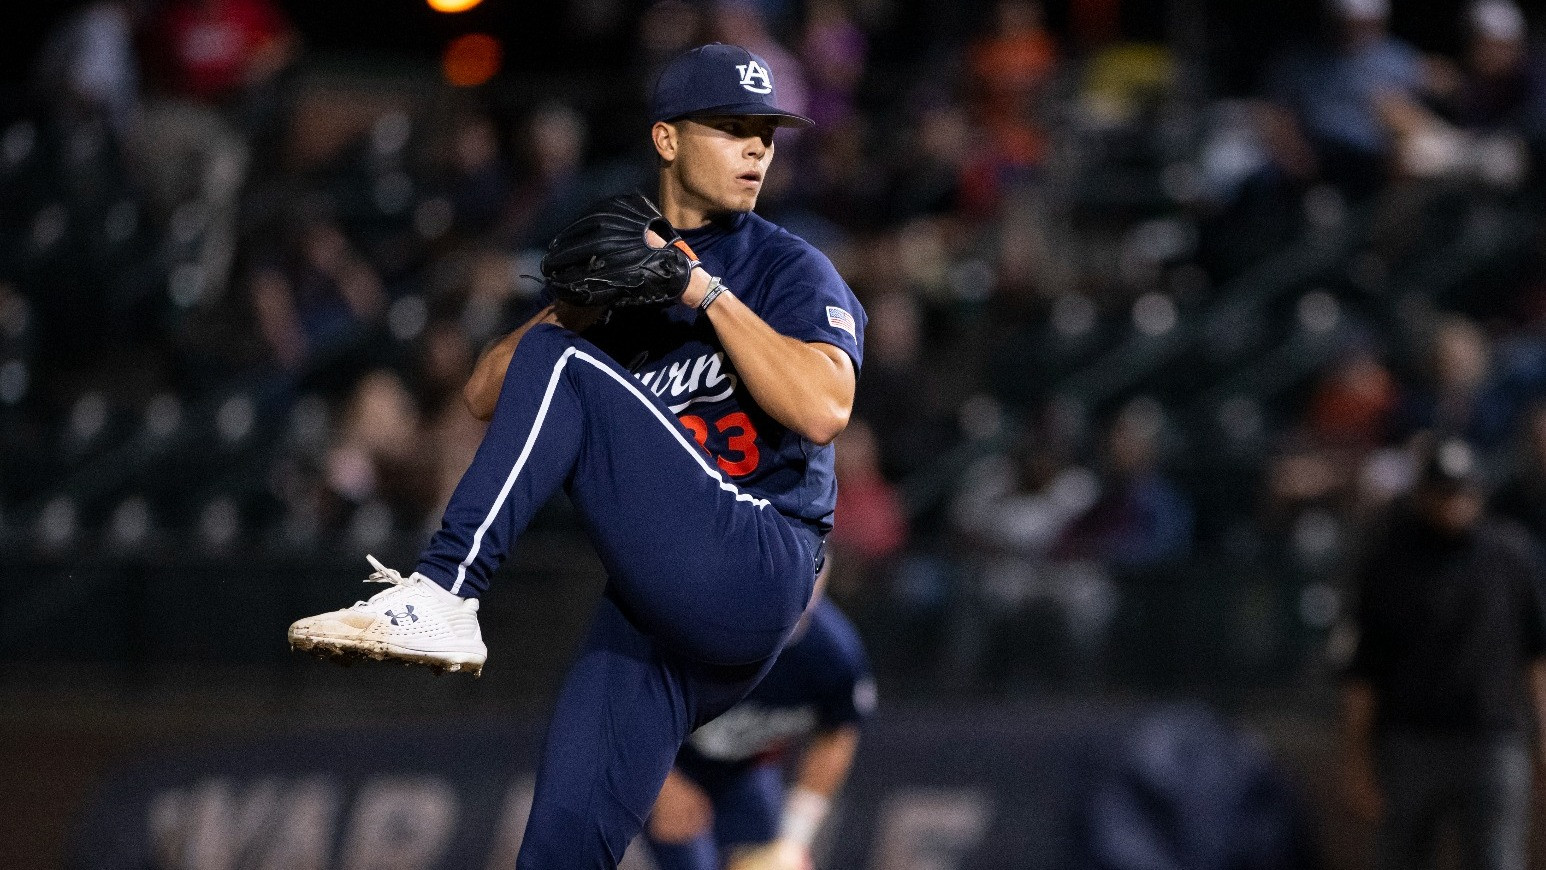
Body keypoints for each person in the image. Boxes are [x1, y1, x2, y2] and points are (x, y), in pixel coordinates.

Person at [286, 44, 865, 869]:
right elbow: (486, 393)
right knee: (559, 846)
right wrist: (575, 306)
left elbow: (823, 407)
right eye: (732, 127)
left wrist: (702, 292)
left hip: (760, 559)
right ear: (666, 140)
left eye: (766, 133)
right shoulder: (623, 268)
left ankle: (447, 589)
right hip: (655, 606)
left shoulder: (787, 265)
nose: (757, 149)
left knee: (565, 368)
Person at [1342, 437, 1546, 870]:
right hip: (1411, 740)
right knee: (1402, 858)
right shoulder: (1390, 562)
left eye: (1464, 491)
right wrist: (1359, 760)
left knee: (1497, 859)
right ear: (1422, 494)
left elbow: (1536, 656)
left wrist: (1543, 736)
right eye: (1444, 491)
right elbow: (1364, 672)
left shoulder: (1509, 556)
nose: (1455, 503)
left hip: (1492, 739)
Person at [645, 581, 875, 870]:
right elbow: (622, 696)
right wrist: (661, 783)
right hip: (667, 761)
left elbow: (836, 735)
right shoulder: (697, 618)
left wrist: (794, 840)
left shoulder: (834, 653)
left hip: (745, 770)